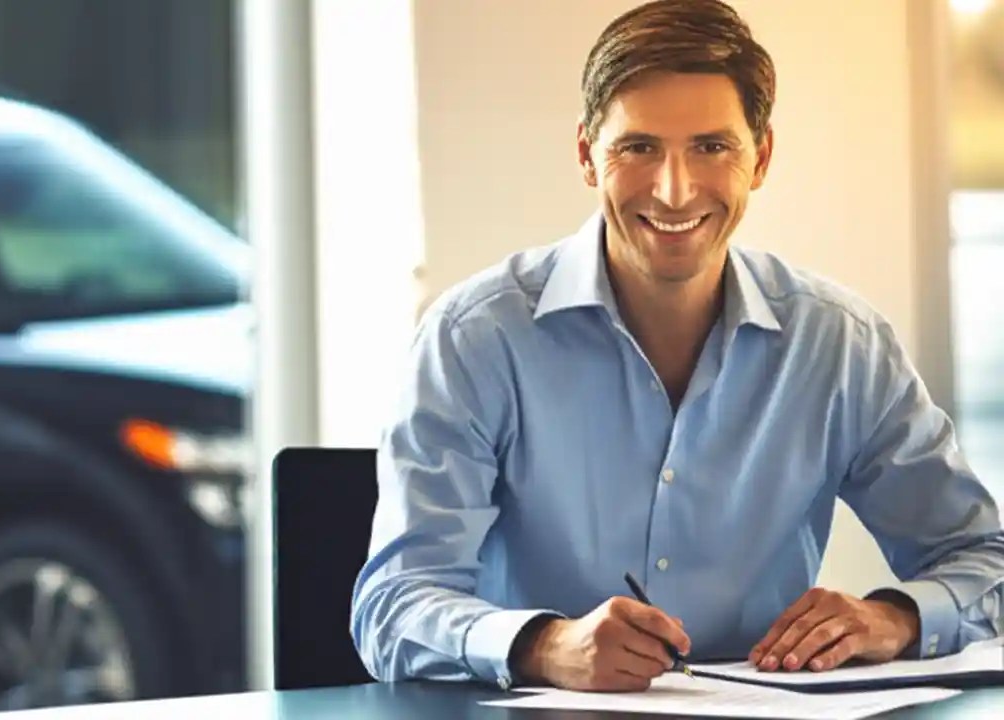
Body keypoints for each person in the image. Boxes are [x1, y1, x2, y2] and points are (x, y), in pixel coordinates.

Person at [349, 0, 1004, 694]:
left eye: (712, 147)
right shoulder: (474, 339)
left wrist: (896, 618)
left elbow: (983, 561)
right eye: (638, 148)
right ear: (587, 155)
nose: (674, 189)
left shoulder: (840, 344)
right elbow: (395, 606)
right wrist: (544, 645)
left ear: (761, 158)